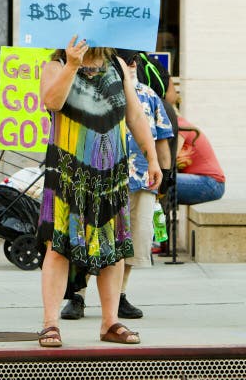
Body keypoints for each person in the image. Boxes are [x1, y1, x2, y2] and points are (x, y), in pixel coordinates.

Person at [37, 37, 161, 347]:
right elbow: (51, 102)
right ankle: (50, 324)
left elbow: (134, 116)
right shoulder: (54, 65)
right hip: (68, 169)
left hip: (111, 170)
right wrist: (72, 65)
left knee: (114, 246)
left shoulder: (117, 66)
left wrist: (153, 157)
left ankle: (110, 322)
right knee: (59, 245)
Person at [59, 50, 173, 321]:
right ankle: (78, 295)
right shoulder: (88, 86)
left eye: (134, 61)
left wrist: (163, 173)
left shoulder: (148, 95)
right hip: (101, 175)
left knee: (132, 240)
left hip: (141, 178)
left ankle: (119, 295)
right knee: (86, 237)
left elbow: (161, 136)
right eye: (128, 60)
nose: (131, 65)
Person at [175, 116, 226, 204]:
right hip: (205, 182)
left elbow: (169, 158)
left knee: (153, 181)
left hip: (211, 183)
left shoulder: (181, 126)